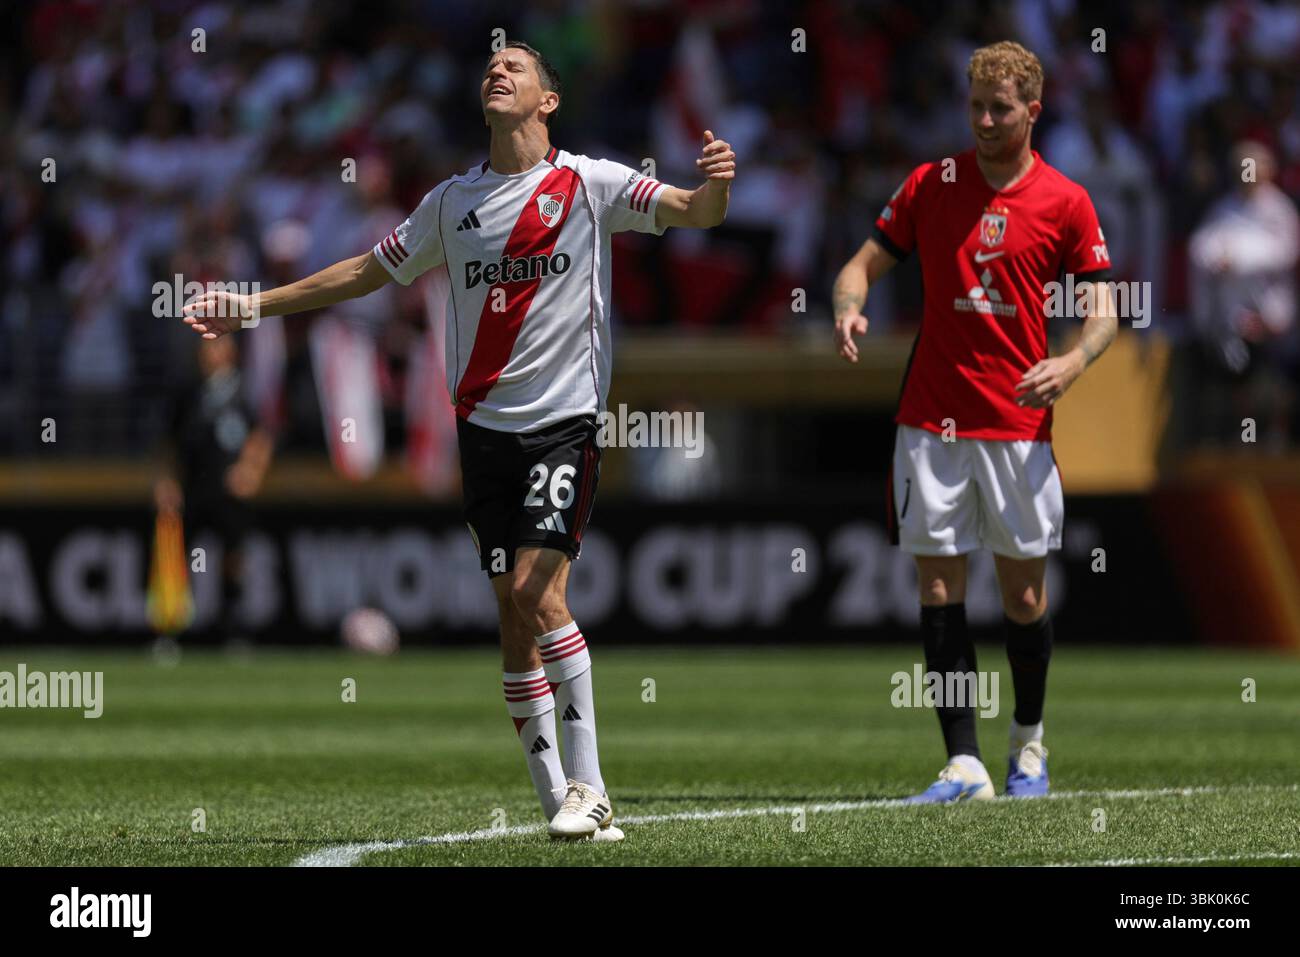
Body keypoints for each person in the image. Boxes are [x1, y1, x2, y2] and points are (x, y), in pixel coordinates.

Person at [180, 41, 735, 840]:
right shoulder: (450, 204)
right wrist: (255, 305)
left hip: (563, 422)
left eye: (515, 66)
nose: (497, 72)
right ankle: (557, 802)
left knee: (540, 595)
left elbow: (694, 212)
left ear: (548, 98)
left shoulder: (589, 182)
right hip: (483, 434)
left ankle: (592, 784)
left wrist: (716, 186)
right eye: (490, 68)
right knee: (513, 619)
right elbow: (366, 274)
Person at [831, 41, 1117, 803]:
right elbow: (859, 264)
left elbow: (1105, 311)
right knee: (937, 586)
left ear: (1033, 109)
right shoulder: (932, 183)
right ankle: (964, 762)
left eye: (1001, 108)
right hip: (930, 420)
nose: (985, 121)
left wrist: (1073, 362)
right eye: (976, 107)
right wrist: (849, 308)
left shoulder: (1066, 200)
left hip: (1015, 423)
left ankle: (1028, 744)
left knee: (1023, 597)